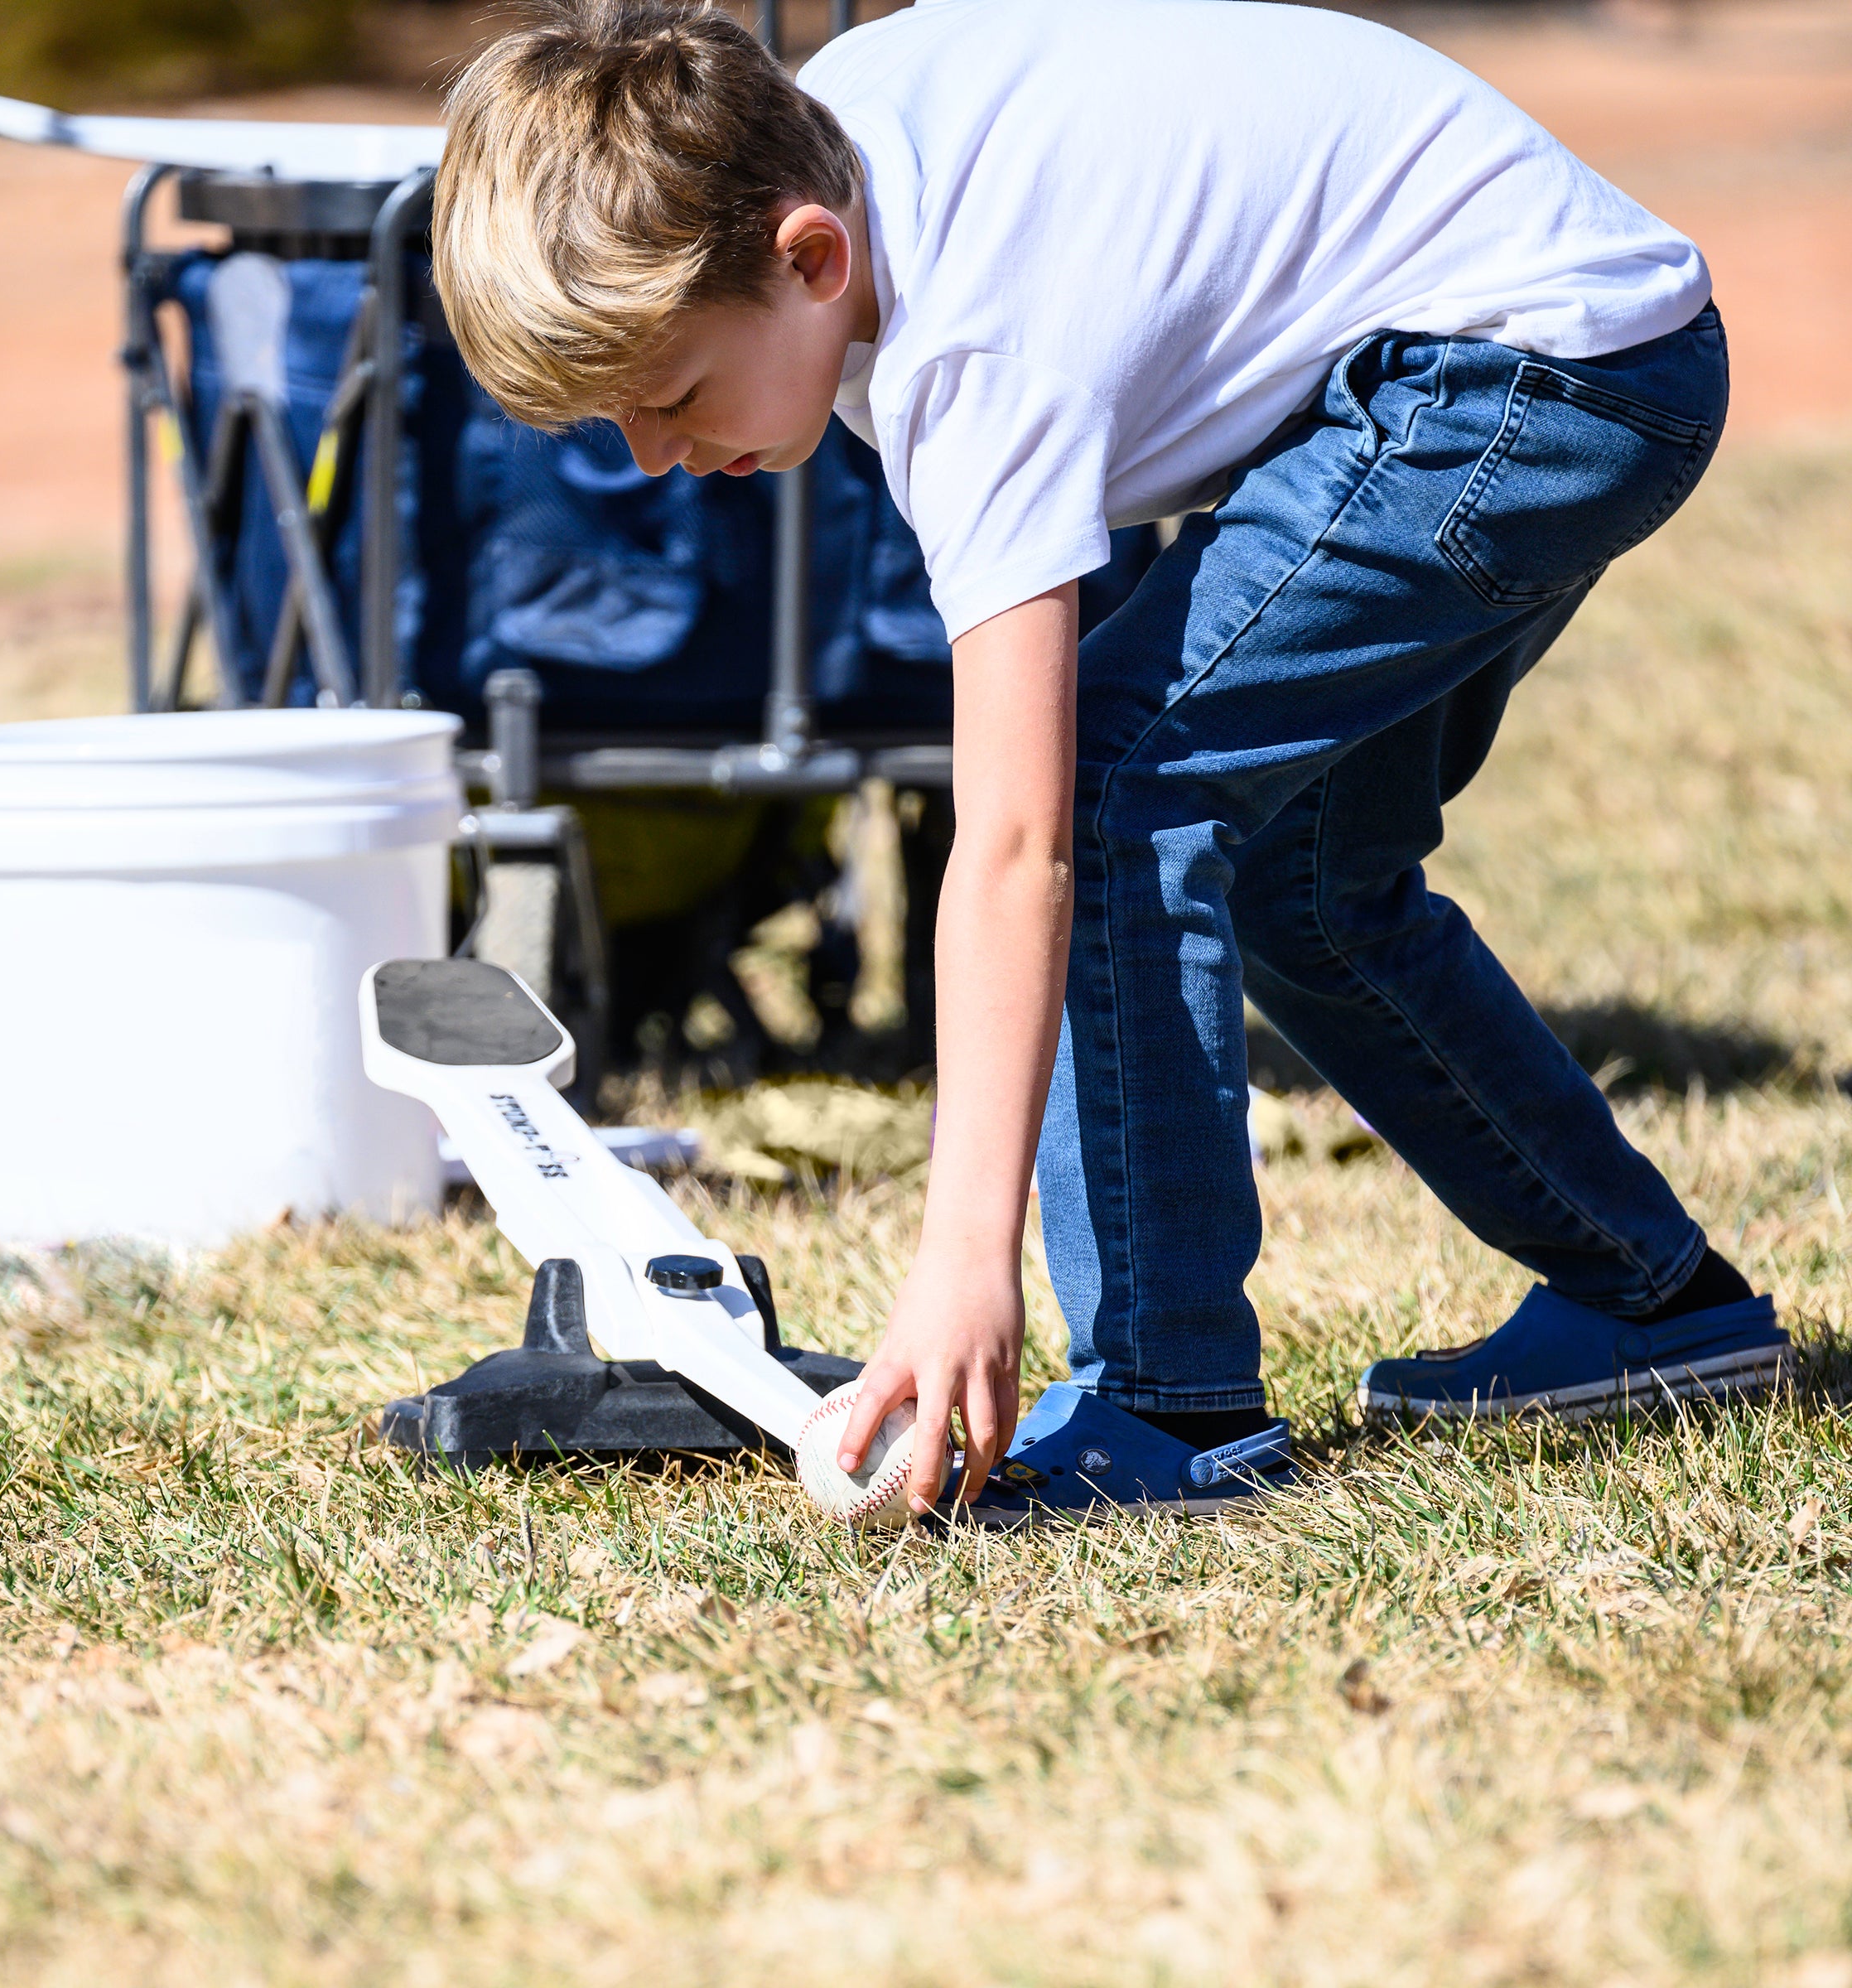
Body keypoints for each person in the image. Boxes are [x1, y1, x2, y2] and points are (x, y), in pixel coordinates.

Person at [430, 0, 1788, 1522]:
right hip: (1581, 363)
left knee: (1116, 785)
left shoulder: (972, 348)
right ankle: (1660, 1308)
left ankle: (1166, 1394)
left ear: (810, 257)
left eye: (668, 397)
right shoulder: (813, 128)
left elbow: (1020, 848)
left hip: (1521, 382)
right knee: (1309, 881)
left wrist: (962, 1269)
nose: (653, 459)